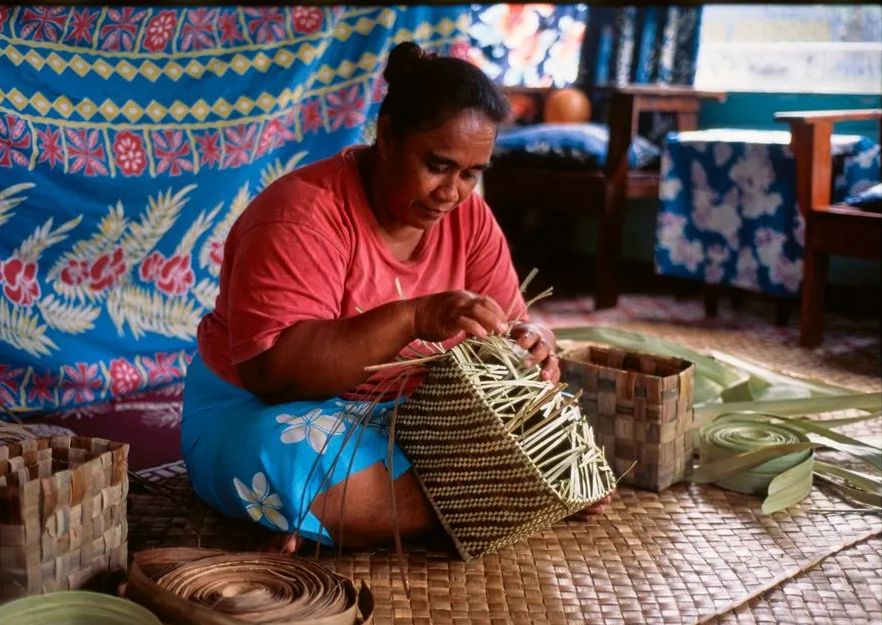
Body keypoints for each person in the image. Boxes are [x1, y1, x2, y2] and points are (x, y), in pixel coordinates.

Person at [181, 42, 610, 553]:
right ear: (386, 138)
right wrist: (415, 316)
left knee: (555, 426)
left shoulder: (469, 218)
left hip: (412, 420)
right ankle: (499, 500)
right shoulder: (301, 216)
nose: (451, 193)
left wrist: (534, 341)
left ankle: (417, 508)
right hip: (267, 411)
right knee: (287, 457)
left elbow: (512, 322)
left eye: (471, 174)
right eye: (437, 164)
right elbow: (275, 376)